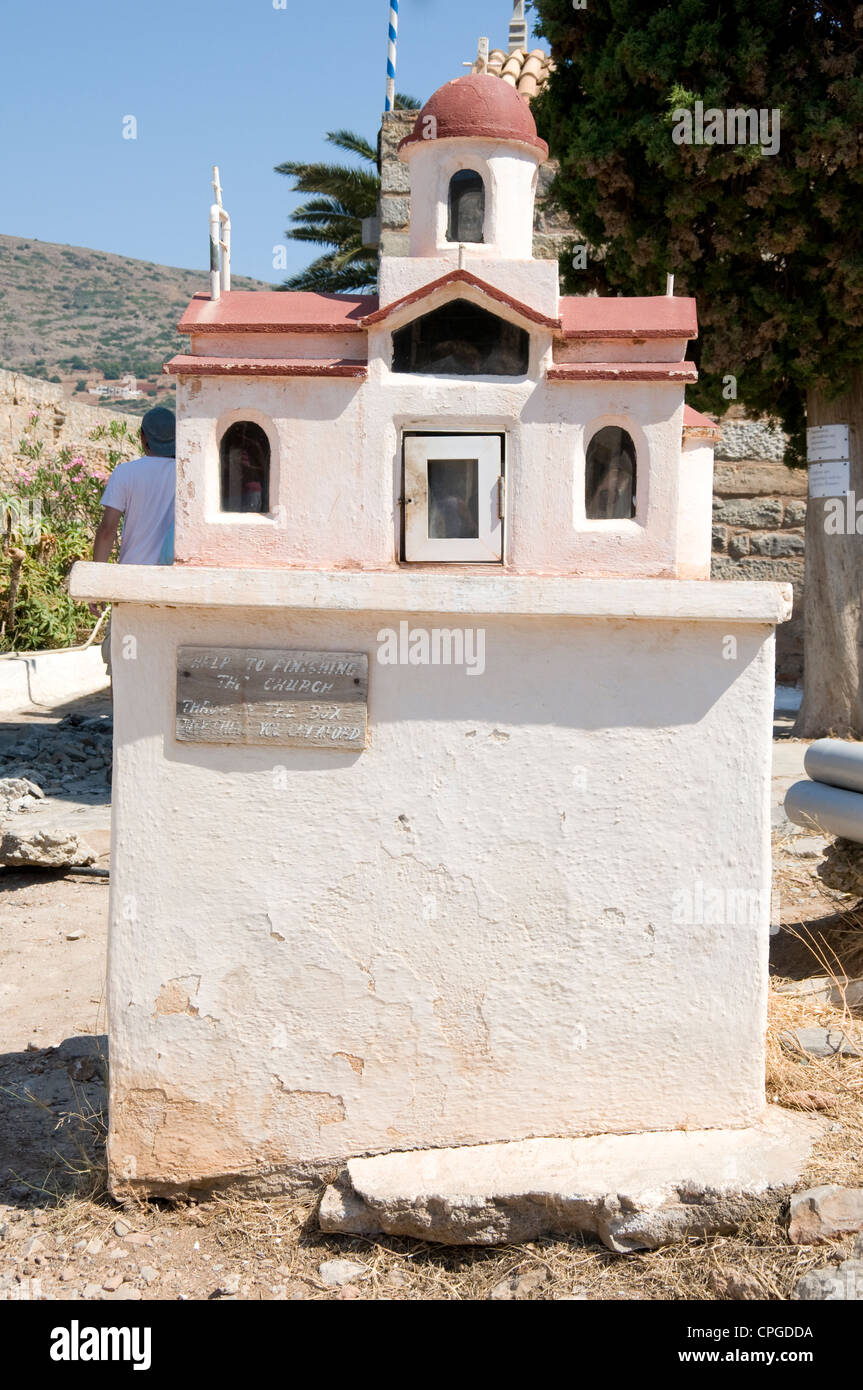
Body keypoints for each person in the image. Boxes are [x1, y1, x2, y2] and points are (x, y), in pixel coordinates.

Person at [91, 405, 176, 670]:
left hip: (131, 582)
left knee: (124, 662)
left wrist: (97, 584)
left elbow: (107, 530)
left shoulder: (126, 473)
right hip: (173, 583)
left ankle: (123, 714)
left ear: (142, 437)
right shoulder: (189, 473)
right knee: (164, 662)